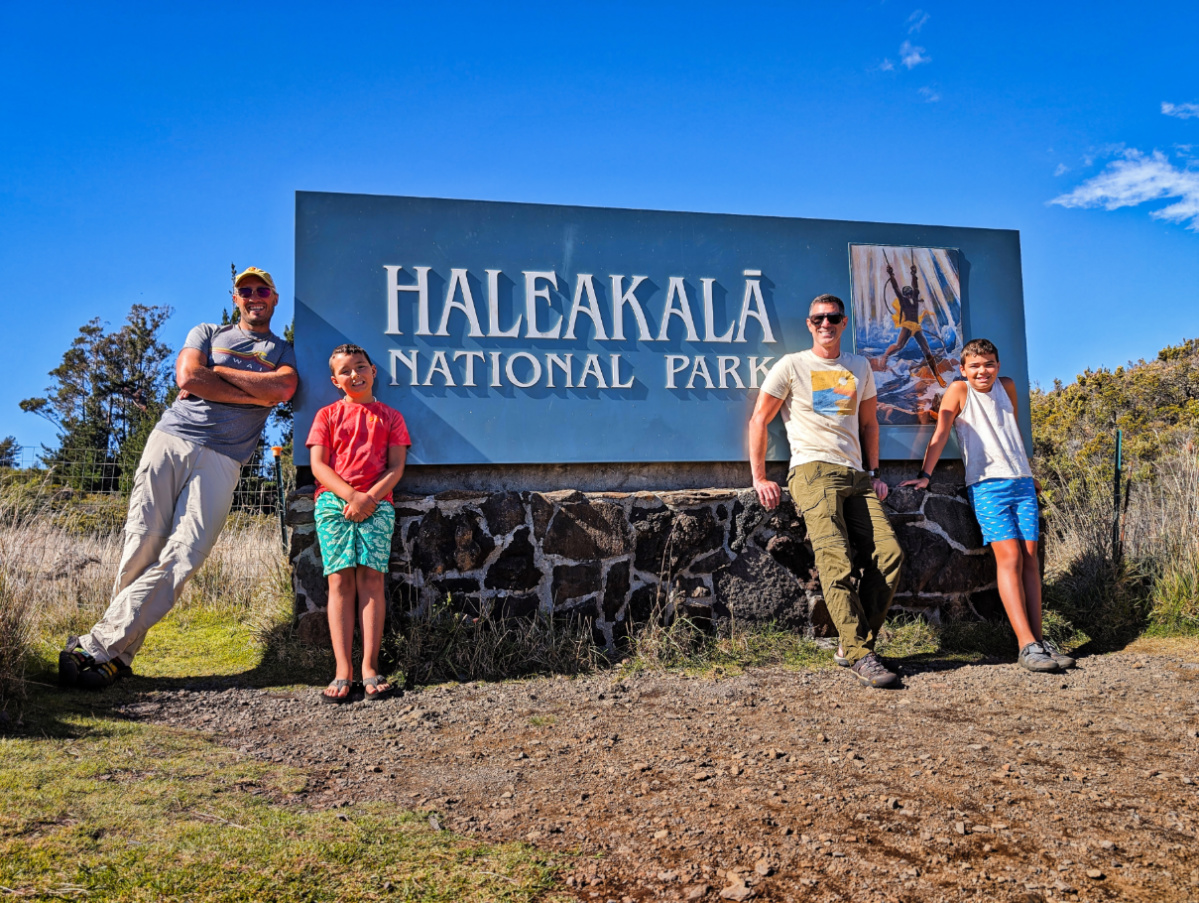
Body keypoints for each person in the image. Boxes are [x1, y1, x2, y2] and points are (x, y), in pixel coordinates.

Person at [59, 267, 298, 689]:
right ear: (235, 297)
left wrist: (218, 374)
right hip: (172, 439)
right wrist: (252, 389)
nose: (254, 295)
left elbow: (281, 390)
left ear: (275, 299)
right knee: (140, 546)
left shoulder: (283, 350)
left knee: (185, 555)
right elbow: (188, 376)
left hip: (225, 458)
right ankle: (117, 658)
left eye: (263, 290)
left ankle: (96, 646)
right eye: (246, 290)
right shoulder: (207, 331)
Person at [749, 294, 905, 688]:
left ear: (844, 321)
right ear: (809, 323)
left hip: (856, 475)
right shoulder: (792, 365)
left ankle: (853, 644)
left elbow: (870, 424)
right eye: (819, 318)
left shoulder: (859, 366)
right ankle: (858, 652)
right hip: (812, 472)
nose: (826, 324)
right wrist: (760, 476)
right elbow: (759, 419)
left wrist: (874, 471)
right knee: (836, 562)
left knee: (889, 555)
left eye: (833, 318)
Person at [899, 338, 1074, 672]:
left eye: (989, 364)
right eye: (975, 366)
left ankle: (1039, 640)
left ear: (998, 365)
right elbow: (940, 432)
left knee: (1030, 560)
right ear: (963, 369)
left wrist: (1029, 472)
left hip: (1021, 483)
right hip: (987, 486)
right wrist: (925, 475)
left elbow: (1012, 433)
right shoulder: (959, 391)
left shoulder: (1007, 387)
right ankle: (1026, 646)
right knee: (1008, 557)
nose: (983, 371)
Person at [306, 344, 410, 703]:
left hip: (378, 502)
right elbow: (319, 466)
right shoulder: (326, 416)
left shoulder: (391, 417)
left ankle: (369, 666)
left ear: (373, 371)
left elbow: (396, 468)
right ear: (335, 381)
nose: (355, 374)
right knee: (339, 580)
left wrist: (369, 499)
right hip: (334, 502)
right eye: (346, 371)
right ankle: (342, 670)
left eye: (361, 367)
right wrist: (351, 496)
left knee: (371, 578)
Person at [878, 261, 947, 388]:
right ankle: (885, 356)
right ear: (905, 295)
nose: (910, 295)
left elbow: (915, 287)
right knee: (899, 346)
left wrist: (913, 274)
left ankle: (937, 375)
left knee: (926, 350)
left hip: (916, 327)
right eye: (907, 294)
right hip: (907, 325)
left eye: (910, 293)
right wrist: (891, 274)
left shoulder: (915, 298)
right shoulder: (903, 300)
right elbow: (895, 288)